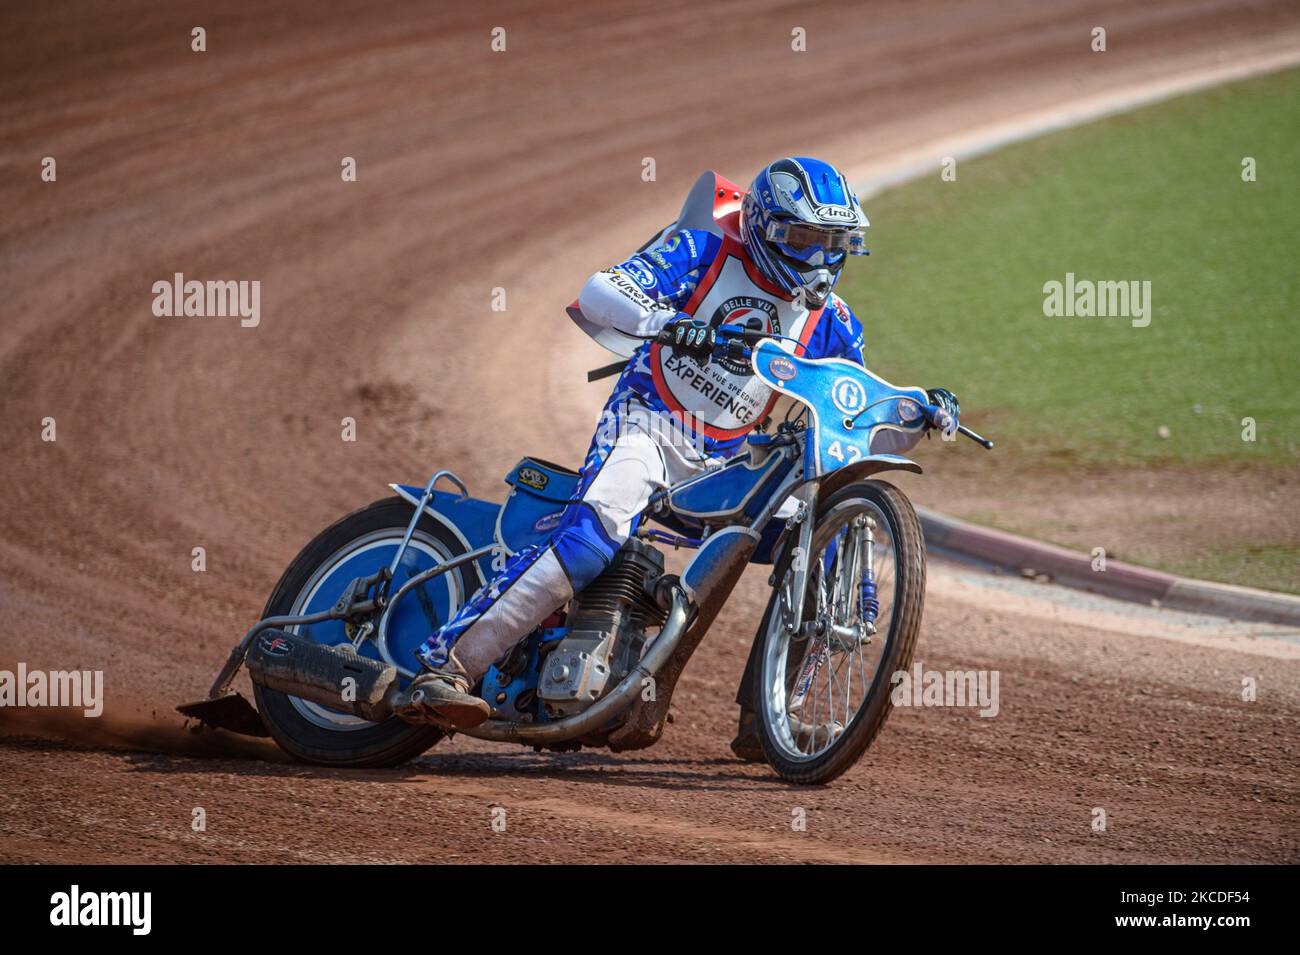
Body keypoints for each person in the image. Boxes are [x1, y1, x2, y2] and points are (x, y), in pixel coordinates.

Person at [395, 157, 960, 746]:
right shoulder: (700, 252)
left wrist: (917, 412)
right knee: (592, 540)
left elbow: (858, 415)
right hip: (648, 427)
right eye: (804, 239)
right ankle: (444, 665)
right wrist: (669, 321)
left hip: (728, 466)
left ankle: (770, 720)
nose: (819, 260)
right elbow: (600, 292)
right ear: (765, 227)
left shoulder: (835, 321)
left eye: (835, 243)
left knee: (820, 538)